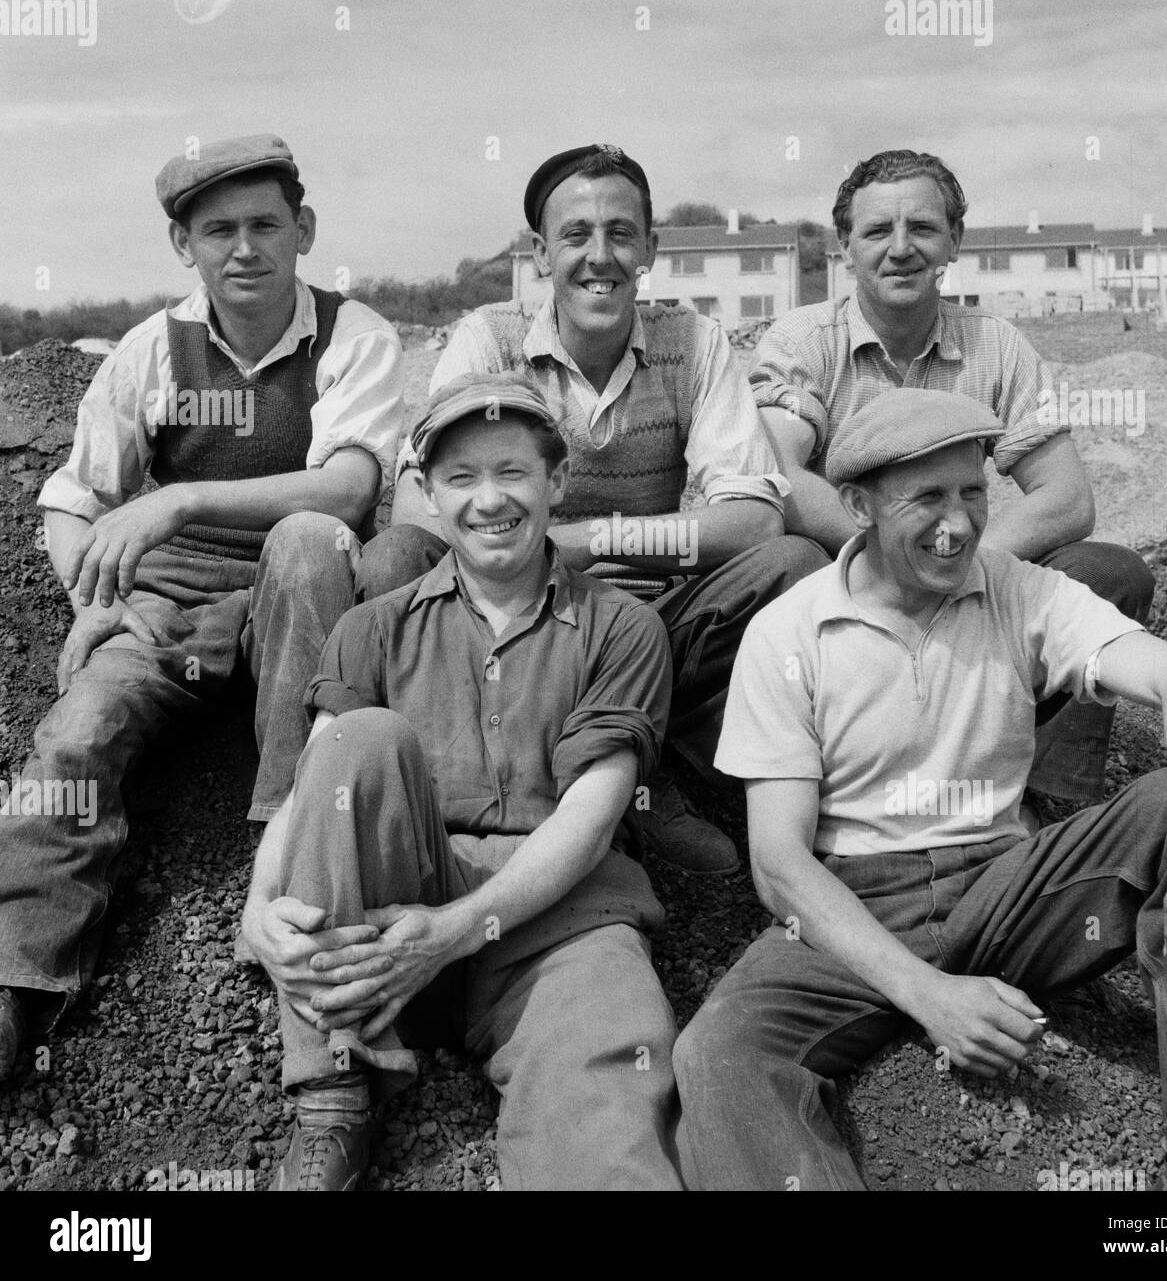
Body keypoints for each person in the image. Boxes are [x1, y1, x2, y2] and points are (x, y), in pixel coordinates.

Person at [672, 388, 1167, 1191]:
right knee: (718, 1054)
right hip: (852, 901)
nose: (957, 523)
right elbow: (781, 865)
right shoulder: (789, 635)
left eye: (973, 493)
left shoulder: (1016, 589)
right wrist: (931, 997)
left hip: (1004, 885)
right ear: (857, 505)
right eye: (925, 498)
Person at [0, 135, 403, 1079]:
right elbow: (71, 495)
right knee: (76, 735)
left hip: (294, 599)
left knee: (308, 544)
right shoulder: (153, 348)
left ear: (303, 230)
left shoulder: (356, 335)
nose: (245, 248)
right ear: (185, 245)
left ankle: (288, 855)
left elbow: (347, 489)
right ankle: (18, 980)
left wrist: (178, 497)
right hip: (168, 602)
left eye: (266, 224)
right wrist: (86, 600)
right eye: (217, 229)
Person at [242, 372, 682, 1191]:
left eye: (512, 473)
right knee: (363, 736)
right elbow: (316, 786)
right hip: (389, 909)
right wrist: (258, 908)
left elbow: (589, 818)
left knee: (612, 1113)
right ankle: (335, 1092)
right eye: (461, 478)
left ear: (556, 483)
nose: (490, 501)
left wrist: (455, 931)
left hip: (557, 916)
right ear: (427, 496)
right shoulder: (370, 627)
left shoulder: (625, 627)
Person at [364, 143, 828, 874]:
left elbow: (754, 519)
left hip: (651, 623)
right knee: (395, 563)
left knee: (795, 567)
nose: (599, 256)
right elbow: (420, 512)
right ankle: (450, 784)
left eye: (620, 233)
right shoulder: (490, 339)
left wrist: (594, 540)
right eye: (576, 235)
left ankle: (651, 770)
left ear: (651, 247)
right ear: (542, 254)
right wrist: (548, 560)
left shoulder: (694, 343)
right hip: (508, 617)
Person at [751, 149, 1154, 807]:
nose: (901, 249)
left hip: (959, 582)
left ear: (954, 242)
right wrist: (886, 568)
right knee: (783, 560)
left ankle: (1048, 800)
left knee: (1110, 572)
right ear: (843, 247)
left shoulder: (997, 345)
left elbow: (1067, 497)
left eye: (924, 230)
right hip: (848, 594)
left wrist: (960, 566)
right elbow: (777, 473)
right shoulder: (802, 340)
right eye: (878, 231)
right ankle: (813, 787)